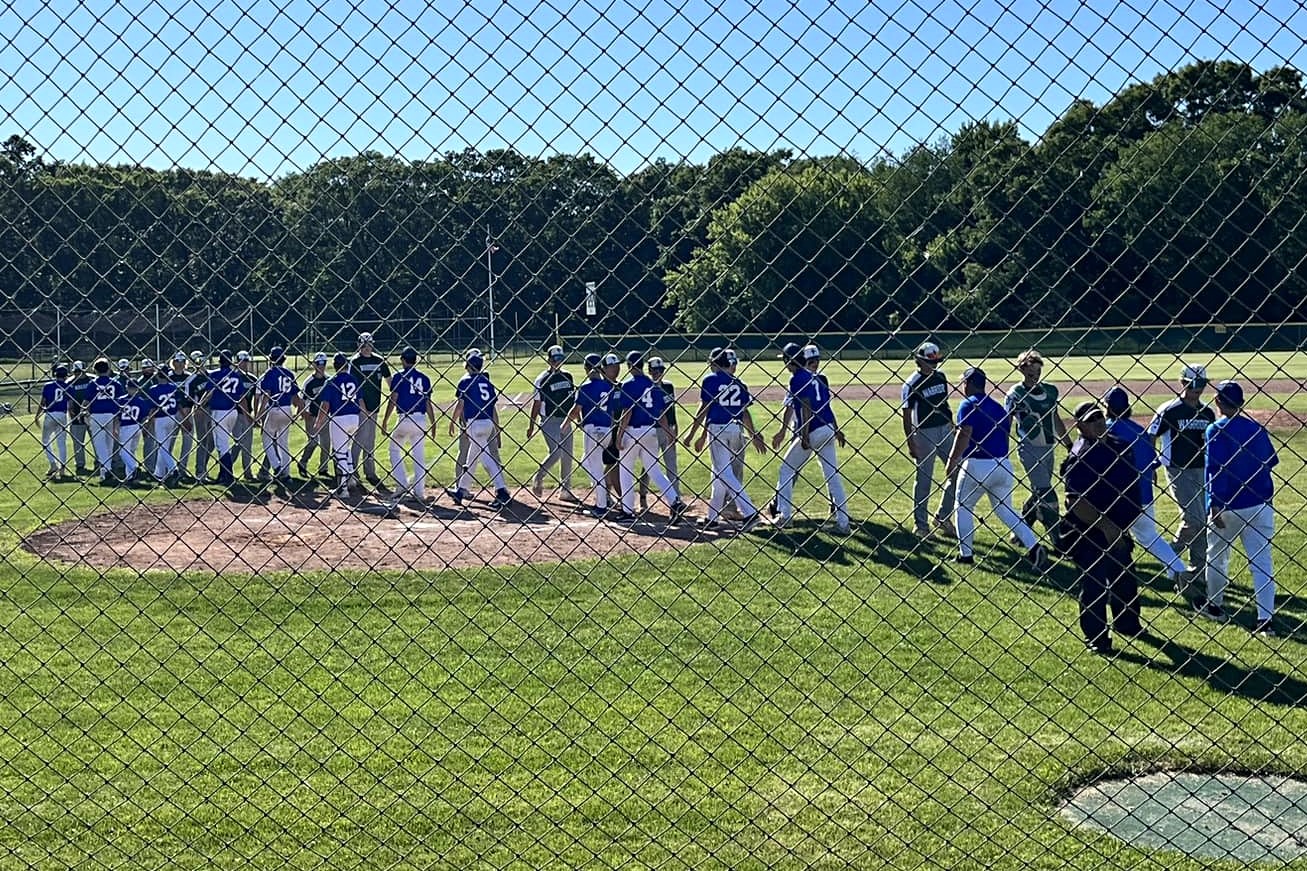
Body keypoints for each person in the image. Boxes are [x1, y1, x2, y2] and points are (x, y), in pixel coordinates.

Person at [1061, 401, 1145, 656]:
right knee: (1095, 585)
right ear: (1079, 426)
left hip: (1118, 527)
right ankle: (1097, 637)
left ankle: (1128, 624)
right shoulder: (1080, 455)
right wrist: (1106, 526)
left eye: (1100, 417)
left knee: (1125, 579)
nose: (1098, 422)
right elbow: (1074, 501)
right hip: (1089, 531)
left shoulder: (1119, 445)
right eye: (1091, 420)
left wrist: (1122, 526)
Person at [1195, 381, 1279, 636]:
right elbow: (1270, 461)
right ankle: (1265, 620)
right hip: (1260, 503)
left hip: (1228, 505)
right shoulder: (1256, 429)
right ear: (1241, 403)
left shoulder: (1216, 429)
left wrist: (1214, 504)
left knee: (1218, 556)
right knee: (1262, 562)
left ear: (1217, 402)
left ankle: (1215, 606)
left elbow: (1215, 470)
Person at [943, 366, 1046, 567]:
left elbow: (964, 434)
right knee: (1005, 509)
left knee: (963, 507)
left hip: (977, 464)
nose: (962, 386)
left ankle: (966, 555)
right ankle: (1034, 547)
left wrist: (952, 461)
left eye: (963, 383)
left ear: (969, 384)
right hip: (1003, 465)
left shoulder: (968, 404)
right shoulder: (998, 407)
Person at [1102, 387, 1189, 585]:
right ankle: (1179, 570)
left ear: (1107, 407)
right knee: (1149, 536)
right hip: (1143, 495)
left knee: (1104, 537)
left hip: (1117, 498)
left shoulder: (1106, 431)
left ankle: (1107, 579)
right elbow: (1152, 462)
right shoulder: (1140, 431)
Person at [681, 347, 765, 529]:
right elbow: (744, 413)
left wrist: (691, 433)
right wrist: (753, 433)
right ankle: (712, 518)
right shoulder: (739, 383)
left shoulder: (710, 380)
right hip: (736, 430)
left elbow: (704, 409)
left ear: (715, 363)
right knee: (718, 474)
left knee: (724, 473)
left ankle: (750, 513)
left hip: (718, 431)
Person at [1148, 364, 1216, 581]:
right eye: (1194, 384)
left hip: (1201, 469)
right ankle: (1169, 556)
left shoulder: (1207, 412)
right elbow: (1151, 436)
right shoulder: (1170, 410)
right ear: (1183, 383)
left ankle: (1198, 570)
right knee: (1194, 520)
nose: (1198, 389)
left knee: (1203, 520)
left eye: (1202, 384)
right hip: (1177, 469)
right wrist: (1151, 465)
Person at [774, 344, 849, 532]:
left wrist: (805, 434)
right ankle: (843, 523)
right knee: (832, 475)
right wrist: (836, 429)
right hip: (827, 428)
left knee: (786, 469)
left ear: (789, 361)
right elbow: (826, 406)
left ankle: (784, 516)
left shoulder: (797, 378)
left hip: (813, 430)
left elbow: (806, 406)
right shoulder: (818, 378)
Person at [1005, 349, 1071, 539]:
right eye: (1031, 372)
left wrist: (1068, 443)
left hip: (1048, 448)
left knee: (1039, 491)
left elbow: (1055, 417)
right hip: (1029, 449)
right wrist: (1002, 449)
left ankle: (1019, 532)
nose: (1035, 376)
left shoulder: (1050, 391)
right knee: (1046, 492)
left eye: (1038, 372)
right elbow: (1007, 423)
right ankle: (1057, 538)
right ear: (1022, 370)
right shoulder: (1015, 394)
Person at [612, 351, 686, 521]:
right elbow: (661, 414)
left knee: (626, 472)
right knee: (655, 471)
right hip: (651, 432)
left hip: (633, 432)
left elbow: (627, 411)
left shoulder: (628, 385)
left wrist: (619, 435)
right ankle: (675, 501)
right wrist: (669, 432)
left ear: (630, 366)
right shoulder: (654, 385)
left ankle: (628, 511)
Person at [901, 341, 957, 538]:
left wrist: (951, 425)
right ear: (919, 361)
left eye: (936, 362)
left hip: (944, 429)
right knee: (924, 479)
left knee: (956, 472)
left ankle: (943, 516)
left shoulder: (940, 377)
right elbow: (906, 415)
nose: (934, 365)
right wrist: (910, 441)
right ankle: (921, 525)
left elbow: (944, 404)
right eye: (930, 362)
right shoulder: (912, 383)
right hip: (924, 433)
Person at [447, 350, 511, 508]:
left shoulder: (465, 380)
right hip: (487, 424)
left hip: (474, 425)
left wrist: (452, 422)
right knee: (472, 459)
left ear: (468, 365)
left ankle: (502, 491)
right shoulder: (486, 381)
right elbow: (492, 406)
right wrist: (498, 430)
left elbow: (460, 405)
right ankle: (461, 491)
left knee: (486, 460)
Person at [381, 346, 436, 502]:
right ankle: (419, 492)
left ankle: (401, 484)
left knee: (394, 449)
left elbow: (393, 400)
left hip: (404, 419)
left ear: (403, 360)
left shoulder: (398, 377)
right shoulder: (424, 378)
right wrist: (433, 423)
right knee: (419, 457)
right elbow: (427, 403)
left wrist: (385, 420)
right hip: (420, 419)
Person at [569, 353, 618, 516]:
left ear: (587, 369)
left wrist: (564, 424)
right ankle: (603, 495)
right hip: (607, 430)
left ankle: (601, 505)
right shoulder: (609, 387)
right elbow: (611, 412)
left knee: (595, 467)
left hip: (592, 430)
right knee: (586, 461)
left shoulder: (585, 387)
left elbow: (576, 411)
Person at [527, 344, 577, 502]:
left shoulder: (568, 376)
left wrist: (578, 419)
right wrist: (531, 425)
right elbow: (536, 403)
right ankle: (539, 477)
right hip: (549, 421)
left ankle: (566, 490)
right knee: (556, 452)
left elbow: (573, 400)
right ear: (548, 360)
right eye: (554, 359)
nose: (557, 362)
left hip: (566, 420)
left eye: (560, 359)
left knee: (568, 455)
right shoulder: (542, 379)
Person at [313, 353, 367, 498]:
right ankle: (352, 480)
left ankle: (343, 490)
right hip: (354, 418)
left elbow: (325, 405)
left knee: (340, 454)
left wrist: (318, 422)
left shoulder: (332, 381)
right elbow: (360, 400)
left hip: (339, 419)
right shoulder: (353, 379)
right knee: (346, 449)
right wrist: (365, 415)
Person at [199, 349, 252, 486]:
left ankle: (227, 475)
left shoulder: (216, 374)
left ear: (219, 361)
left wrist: (200, 404)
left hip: (219, 412)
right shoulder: (236, 375)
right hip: (233, 412)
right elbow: (241, 398)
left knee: (221, 445)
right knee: (225, 443)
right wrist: (247, 414)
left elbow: (209, 392)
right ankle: (223, 474)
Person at [349, 331, 392, 489]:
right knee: (359, 439)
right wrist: (362, 407)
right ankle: (352, 470)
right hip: (360, 407)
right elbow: (352, 387)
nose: (367, 348)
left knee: (370, 441)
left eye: (369, 344)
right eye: (364, 345)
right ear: (359, 345)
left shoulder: (379, 361)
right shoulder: (355, 362)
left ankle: (370, 472)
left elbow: (390, 381)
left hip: (374, 406)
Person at [637, 356, 679, 512]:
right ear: (649, 371)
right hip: (652, 430)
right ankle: (642, 497)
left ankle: (676, 500)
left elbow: (672, 410)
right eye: (654, 370)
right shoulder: (647, 387)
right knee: (648, 467)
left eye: (660, 370)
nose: (657, 373)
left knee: (672, 467)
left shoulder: (668, 387)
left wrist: (675, 429)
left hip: (669, 430)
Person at [257, 346, 302, 483]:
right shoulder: (289, 374)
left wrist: (259, 414)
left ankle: (276, 467)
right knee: (283, 443)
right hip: (287, 408)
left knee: (267, 439)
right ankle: (286, 474)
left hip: (274, 409)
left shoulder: (270, 373)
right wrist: (297, 413)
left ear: (271, 359)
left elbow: (266, 395)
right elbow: (296, 398)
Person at [85, 358, 122, 485]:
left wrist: (84, 413)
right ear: (108, 369)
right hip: (111, 415)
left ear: (95, 370)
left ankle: (107, 470)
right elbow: (120, 401)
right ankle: (105, 472)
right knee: (109, 444)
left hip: (97, 415)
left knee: (100, 445)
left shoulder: (93, 383)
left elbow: (87, 402)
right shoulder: (116, 383)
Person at [297, 353, 332, 480]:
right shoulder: (309, 382)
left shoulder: (328, 380)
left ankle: (323, 468)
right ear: (314, 365)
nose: (321, 367)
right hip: (312, 416)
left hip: (325, 416)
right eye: (319, 364)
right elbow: (301, 399)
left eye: (324, 364)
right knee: (313, 442)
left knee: (326, 444)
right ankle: (303, 463)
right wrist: (303, 413)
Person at [147, 363, 183, 485]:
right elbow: (178, 405)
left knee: (162, 447)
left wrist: (149, 422)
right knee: (164, 446)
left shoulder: (154, 389)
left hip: (161, 418)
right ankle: (160, 474)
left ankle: (174, 470)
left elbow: (152, 409)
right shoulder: (173, 387)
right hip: (172, 417)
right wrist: (185, 419)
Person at [36, 364, 71, 480]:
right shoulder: (67, 386)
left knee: (45, 441)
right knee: (61, 443)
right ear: (65, 375)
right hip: (62, 414)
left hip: (50, 414)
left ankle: (53, 464)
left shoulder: (48, 385)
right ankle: (62, 469)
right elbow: (70, 405)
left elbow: (43, 402)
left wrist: (37, 415)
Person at [186, 350, 215, 481]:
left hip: (213, 410)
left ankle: (203, 467)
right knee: (203, 441)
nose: (200, 363)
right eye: (197, 361)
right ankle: (200, 471)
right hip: (200, 411)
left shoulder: (210, 376)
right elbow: (189, 399)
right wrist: (197, 408)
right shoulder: (191, 380)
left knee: (212, 442)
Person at [165, 353, 195, 482]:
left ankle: (182, 469)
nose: (181, 363)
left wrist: (187, 413)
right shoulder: (169, 377)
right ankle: (169, 468)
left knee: (187, 443)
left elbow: (191, 396)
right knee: (169, 442)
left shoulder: (189, 376)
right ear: (174, 362)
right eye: (178, 360)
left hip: (188, 411)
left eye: (183, 360)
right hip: (173, 412)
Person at [116, 386, 153, 483]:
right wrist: (145, 428)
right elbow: (146, 416)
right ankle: (130, 477)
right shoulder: (140, 401)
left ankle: (134, 469)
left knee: (123, 452)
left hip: (126, 427)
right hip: (137, 426)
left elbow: (117, 416)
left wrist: (115, 429)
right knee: (131, 452)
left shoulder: (121, 400)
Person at [68, 360, 94, 475]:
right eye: (76, 372)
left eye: (80, 371)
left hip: (92, 415)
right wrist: (71, 411)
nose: (78, 374)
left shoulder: (92, 380)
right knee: (78, 442)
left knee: (97, 441)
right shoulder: (70, 382)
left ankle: (99, 462)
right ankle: (80, 464)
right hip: (76, 415)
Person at [138, 358, 159, 475]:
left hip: (159, 414)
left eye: (149, 367)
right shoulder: (142, 382)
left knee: (158, 442)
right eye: (145, 368)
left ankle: (157, 466)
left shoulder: (156, 380)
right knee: (149, 442)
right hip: (146, 414)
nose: (148, 370)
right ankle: (150, 467)